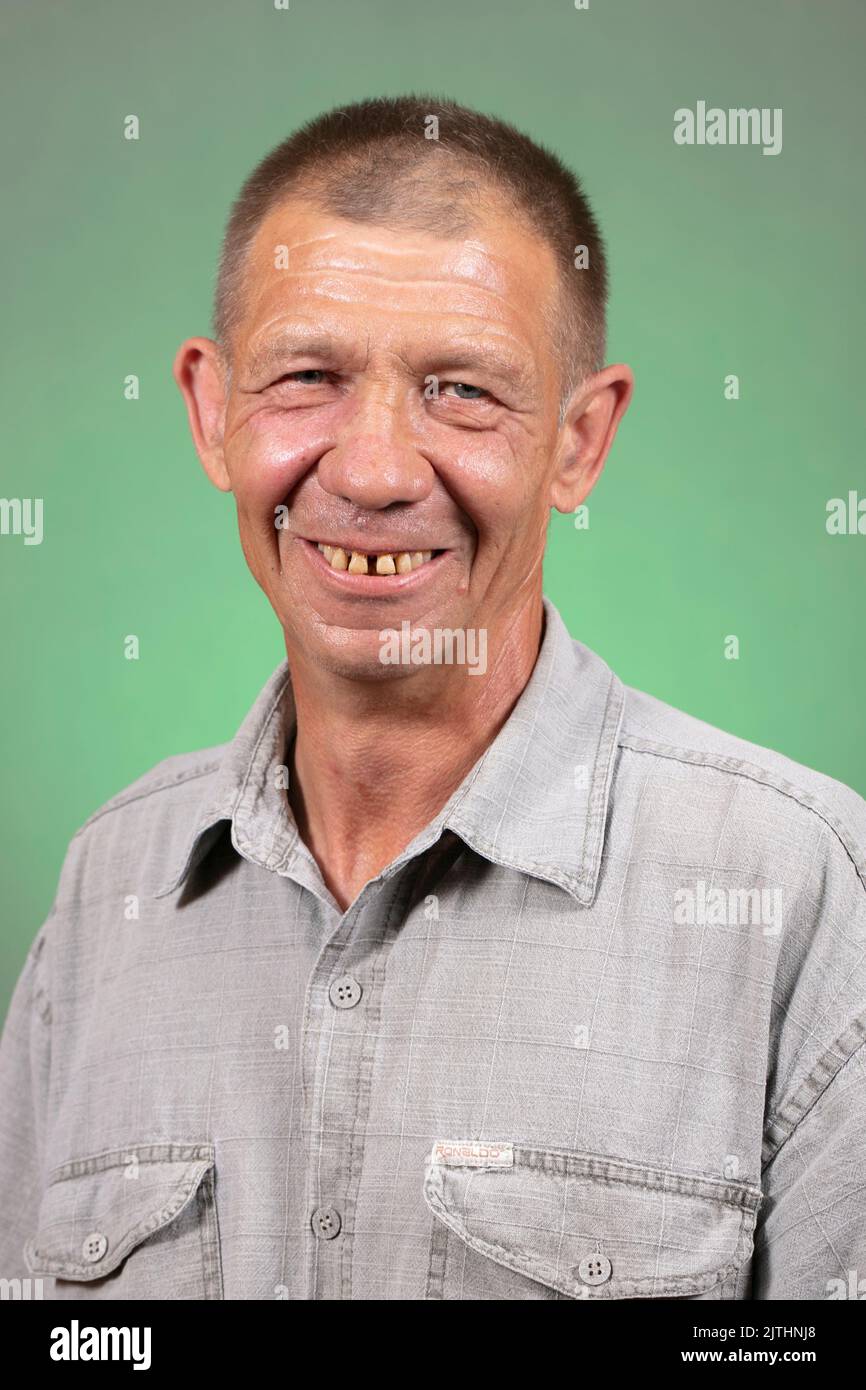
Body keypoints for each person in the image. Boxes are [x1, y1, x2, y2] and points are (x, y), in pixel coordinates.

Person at [1, 95, 864, 1301]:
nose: (370, 471)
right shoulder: (105, 894)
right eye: (305, 376)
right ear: (210, 411)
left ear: (577, 441)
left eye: (461, 390)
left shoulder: (802, 891)